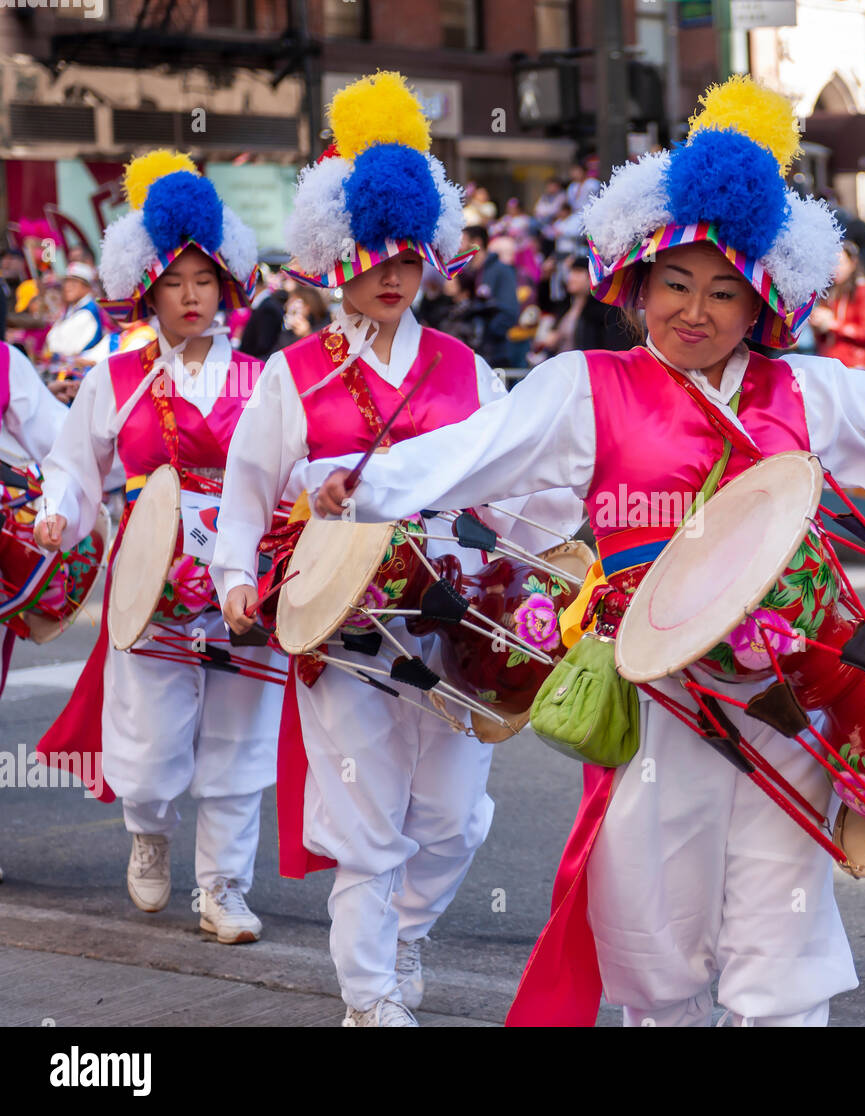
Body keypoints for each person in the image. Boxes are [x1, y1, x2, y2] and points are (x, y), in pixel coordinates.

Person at [307, 76, 865, 1029]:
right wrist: (357, 485)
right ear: (637, 286)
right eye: (676, 285)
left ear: (761, 307)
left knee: (781, 936)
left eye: (724, 292)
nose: (694, 312)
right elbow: (470, 456)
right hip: (659, 697)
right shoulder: (587, 386)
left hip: (794, 687)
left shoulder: (805, 392)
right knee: (654, 938)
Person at [210, 71, 581, 1028]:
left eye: (410, 255)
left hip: (460, 626)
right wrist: (241, 576)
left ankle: (409, 935)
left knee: (453, 821)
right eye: (374, 253)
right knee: (369, 824)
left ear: (431, 257)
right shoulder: (291, 376)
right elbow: (247, 493)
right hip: (343, 632)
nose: (393, 271)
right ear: (336, 255)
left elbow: (520, 493)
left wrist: (578, 542)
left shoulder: (465, 370)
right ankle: (371, 996)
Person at [32, 149, 277, 945]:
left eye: (205, 280)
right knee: (150, 731)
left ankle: (225, 889)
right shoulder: (115, 378)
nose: (192, 296)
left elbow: (296, 472)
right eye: (175, 282)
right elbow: (74, 467)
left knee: (241, 733)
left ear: (228, 286)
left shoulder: (264, 379)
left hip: (243, 574)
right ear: (148, 288)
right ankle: (148, 830)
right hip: (149, 575)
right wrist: (55, 516)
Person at [530, 254, 638, 363]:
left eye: (578, 273)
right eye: (571, 272)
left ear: (591, 276)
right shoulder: (566, 305)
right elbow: (544, 304)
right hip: (564, 369)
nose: (571, 277)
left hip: (589, 369)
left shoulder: (604, 311)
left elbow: (613, 344)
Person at [808, 242, 865, 370]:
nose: (835, 268)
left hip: (857, 364)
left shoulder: (863, 289)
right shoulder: (830, 290)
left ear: (852, 263)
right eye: (831, 263)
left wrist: (833, 324)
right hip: (831, 361)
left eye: (840, 263)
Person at [42, 261, 110, 393]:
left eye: (74, 283)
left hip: (79, 381)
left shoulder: (87, 313)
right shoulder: (72, 310)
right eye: (66, 283)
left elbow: (64, 349)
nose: (68, 287)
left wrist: (54, 346)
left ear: (87, 287)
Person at [459, 226, 519, 367]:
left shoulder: (501, 270)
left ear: (476, 243)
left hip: (494, 357)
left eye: (462, 242)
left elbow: (510, 311)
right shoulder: (466, 273)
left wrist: (487, 336)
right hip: (471, 355)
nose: (458, 248)